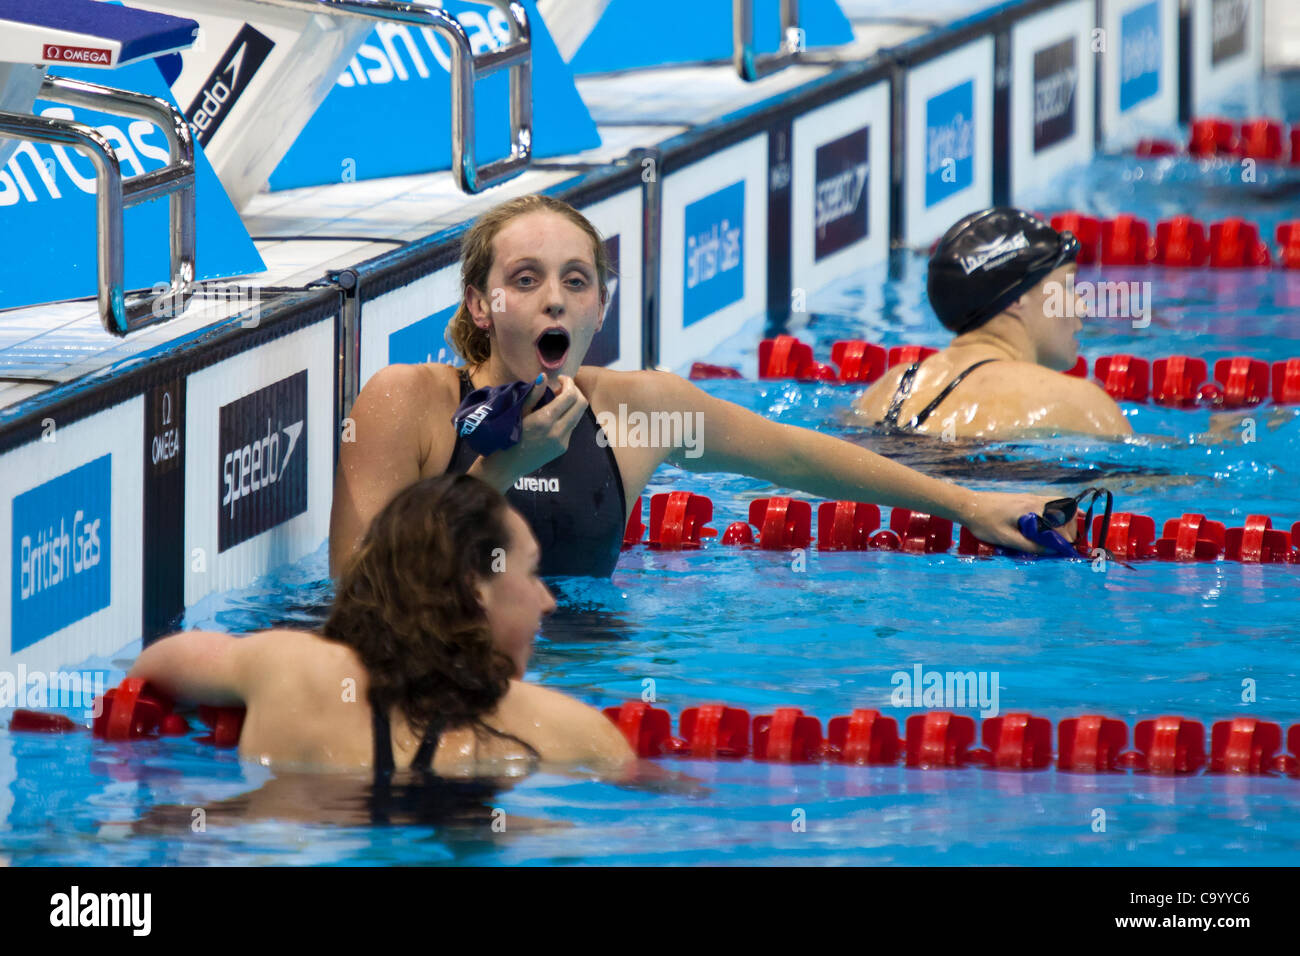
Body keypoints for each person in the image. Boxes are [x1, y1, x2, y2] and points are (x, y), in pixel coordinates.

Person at [331, 195, 1078, 578]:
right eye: (524, 281)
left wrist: (972, 505)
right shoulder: (412, 403)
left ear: (600, 308)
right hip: (447, 694)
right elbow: (356, 597)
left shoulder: (635, 413)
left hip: (597, 682)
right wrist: (502, 471)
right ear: (479, 306)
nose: (553, 300)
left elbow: (795, 457)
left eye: (575, 281)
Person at [129, 474, 635, 774]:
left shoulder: (285, 668)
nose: (546, 601)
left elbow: (153, 664)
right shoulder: (557, 729)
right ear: (478, 587)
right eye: (530, 573)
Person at [854, 207, 1133, 439]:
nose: (1081, 307)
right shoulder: (1078, 403)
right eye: (1067, 286)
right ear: (1017, 297)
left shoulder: (887, 391)